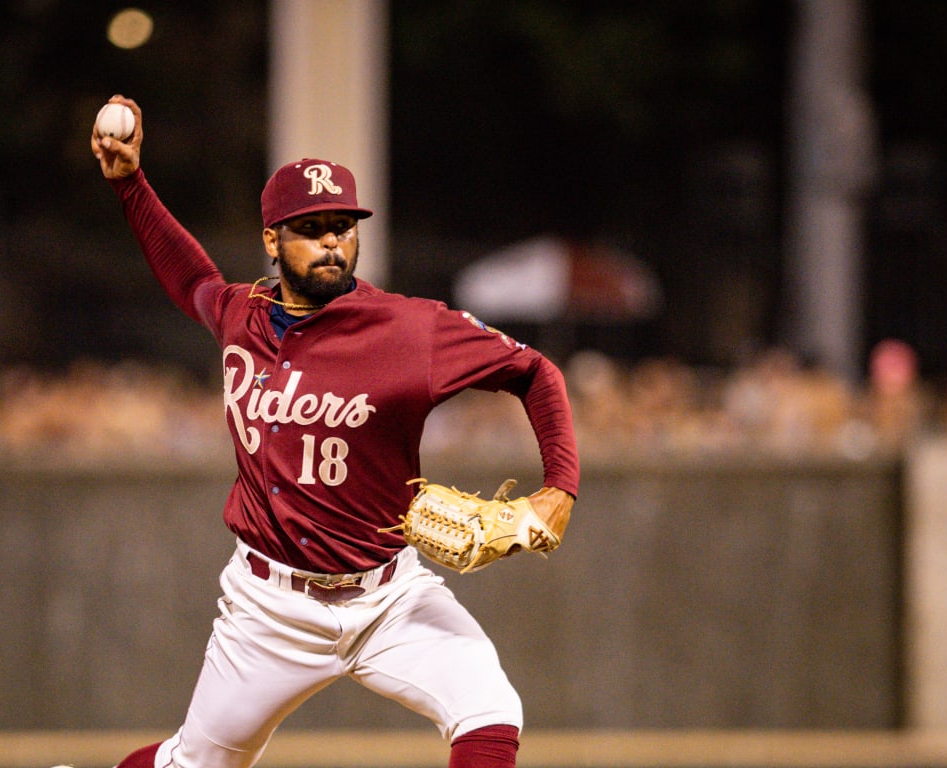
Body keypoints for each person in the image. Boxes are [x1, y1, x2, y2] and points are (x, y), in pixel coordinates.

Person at [89, 95, 579, 768]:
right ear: (271, 240)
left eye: (343, 225)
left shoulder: (412, 329)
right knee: (192, 764)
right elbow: (190, 277)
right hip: (268, 608)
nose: (330, 240)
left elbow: (536, 373)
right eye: (310, 226)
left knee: (491, 712)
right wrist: (129, 184)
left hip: (390, 596)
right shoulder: (243, 316)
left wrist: (559, 489)